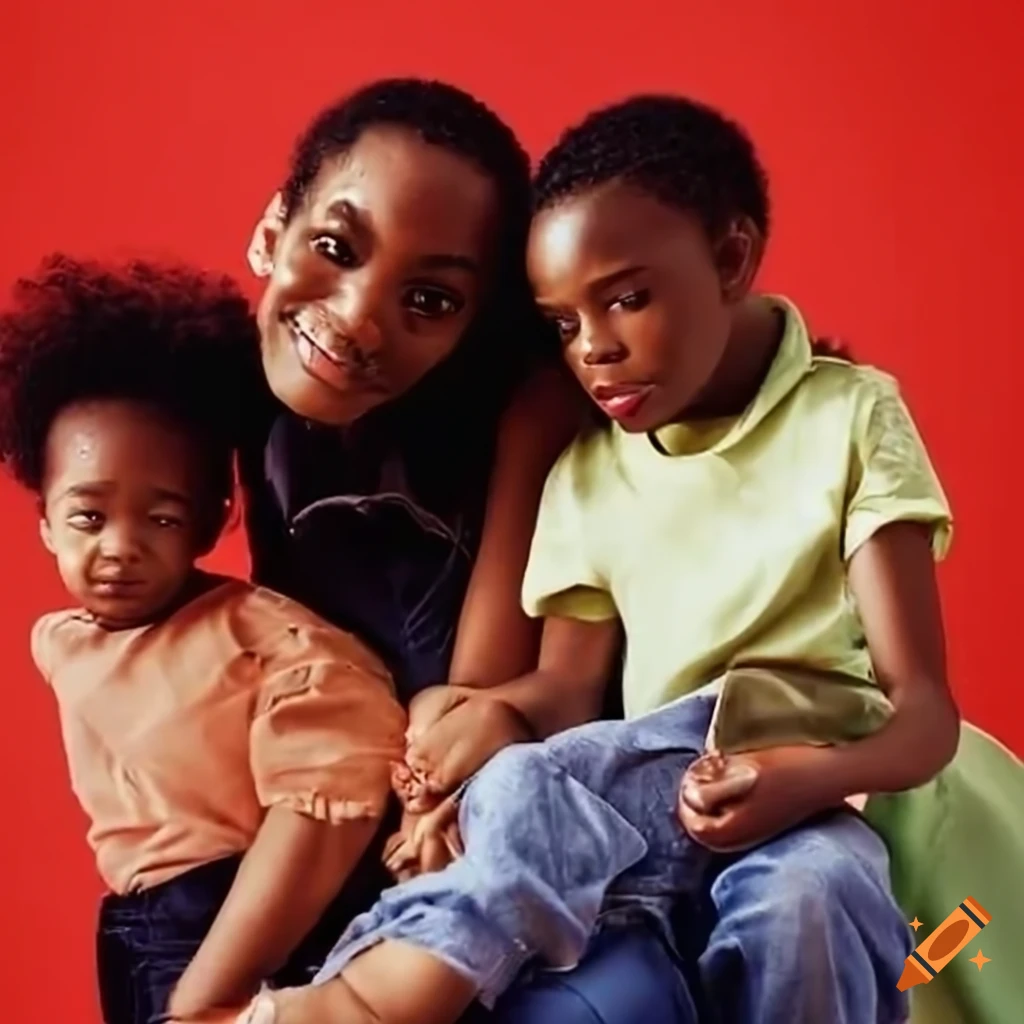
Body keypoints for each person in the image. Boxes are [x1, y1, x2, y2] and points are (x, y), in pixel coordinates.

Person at [213, 94, 960, 1024]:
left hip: (804, 800)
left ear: (730, 258)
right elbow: (565, 690)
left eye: (626, 299)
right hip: (653, 811)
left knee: (810, 898)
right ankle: (367, 988)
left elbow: (926, 713)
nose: (597, 350)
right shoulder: (590, 469)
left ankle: (366, 998)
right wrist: (483, 728)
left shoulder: (849, 419)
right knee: (527, 779)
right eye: (563, 324)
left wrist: (799, 778)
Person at [235, 79, 695, 1022]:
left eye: (429, 298)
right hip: (335, 839)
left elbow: (483, 705)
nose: (361, 317)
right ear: (272, 227)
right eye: (334, 247)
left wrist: (445, 778)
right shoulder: (222, 399)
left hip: (521, 853)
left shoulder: (529, 422)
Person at [0, 256, 407, 1024]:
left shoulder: (275, 645)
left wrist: (209, 991)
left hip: (241, 921)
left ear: (213, 517)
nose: (119, 547)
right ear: (45, 521)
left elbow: (333, 802)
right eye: (89, 517)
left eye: (159, 518)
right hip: (131, 929)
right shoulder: (61, 641)